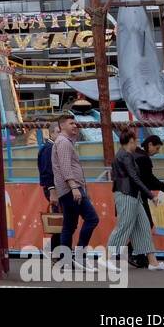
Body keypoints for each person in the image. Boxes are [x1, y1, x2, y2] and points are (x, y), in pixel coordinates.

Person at [106, 130, 164, 272]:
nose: (137, 144)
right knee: (123, 227)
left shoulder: (126, 155)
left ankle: (153, 262)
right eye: (135, 141)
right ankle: (106, 258)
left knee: (144, 228)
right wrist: (151, 195)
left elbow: (136, 178)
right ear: (130, 141)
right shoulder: (125, 156)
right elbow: (135, 178)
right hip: (126, 195)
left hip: (133, 195)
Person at [52, 114, 100, 267]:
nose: (75, 126)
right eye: (71, 123)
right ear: (62, 126)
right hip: (70, 189)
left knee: (69, 226)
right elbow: (65, 167)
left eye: (75, 123)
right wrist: (74, 187)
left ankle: (66, 260)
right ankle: (79, 254)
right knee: (92, 218)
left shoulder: (63, 142)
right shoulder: (64, 143)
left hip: (69, 189)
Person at [37, 121, 61, 253]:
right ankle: (54, 250)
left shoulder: (52, 148)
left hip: (55, 188)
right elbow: (47, 171)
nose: (60, 135)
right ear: (51, 133)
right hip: (54, 188)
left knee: (61, 221)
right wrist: (52, 191)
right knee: (61, 221)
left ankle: (54, 250)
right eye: (58, 132)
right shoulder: (49, 149)